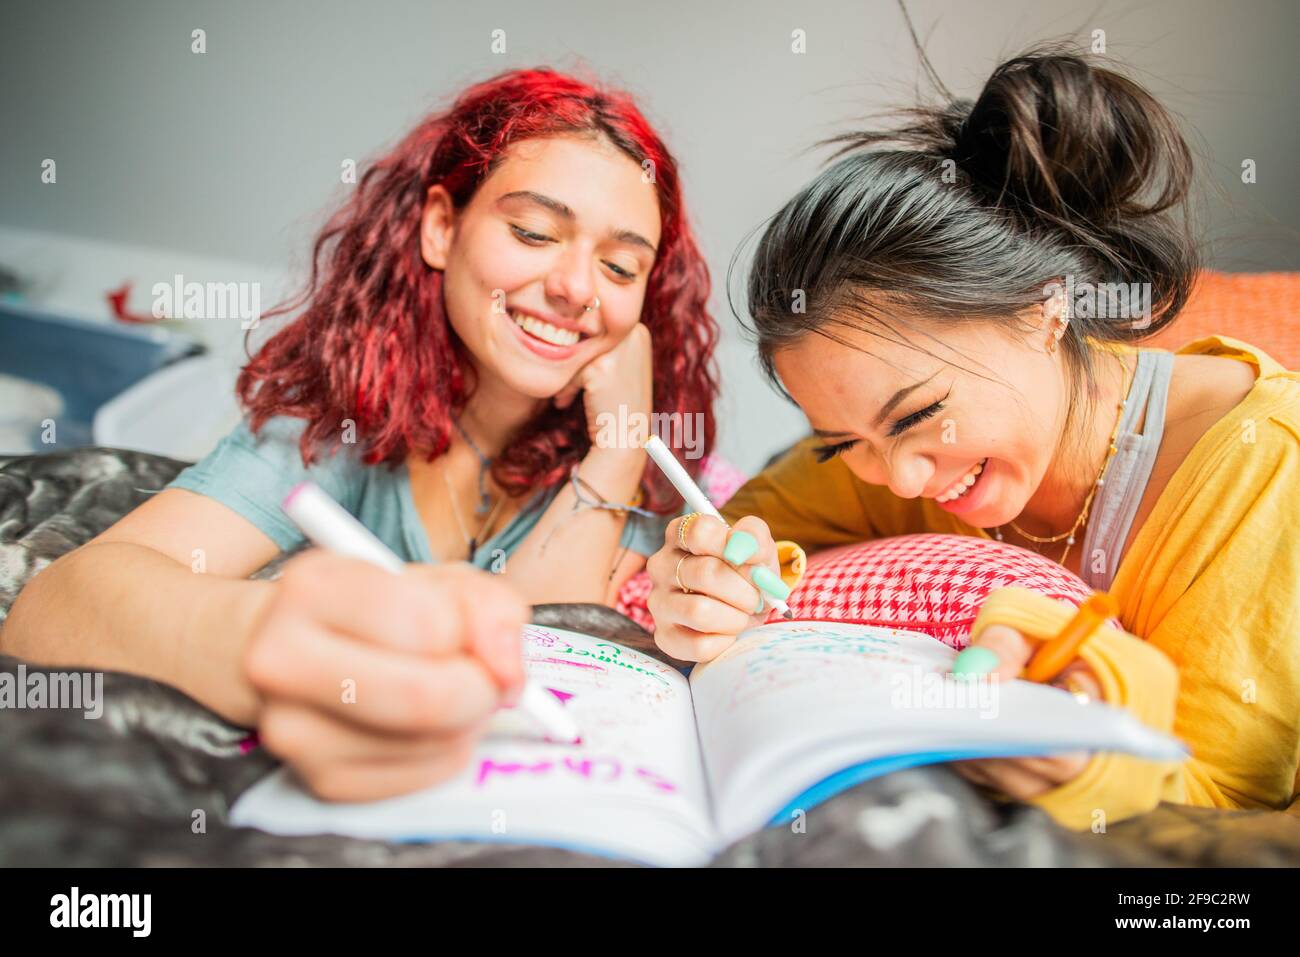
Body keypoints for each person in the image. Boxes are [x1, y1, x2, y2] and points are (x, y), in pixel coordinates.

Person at [3, 68, 719, 801]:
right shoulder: (331, 428)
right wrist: (255, 641)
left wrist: (622, 442)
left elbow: (558, 645)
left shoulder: (648, 477)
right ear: (442, 227)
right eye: (534, 231)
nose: (577, 286)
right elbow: (53, 606)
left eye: (620, 265)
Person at [645, 50, 1300, 827]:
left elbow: (1229, 806)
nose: (902, 478)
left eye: (917, 416)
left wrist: (1085, 768)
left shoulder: (1264, 470)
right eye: (839, 442)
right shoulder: (882, 456)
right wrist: (713, 574)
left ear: (1043, 308)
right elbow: (741, 530)